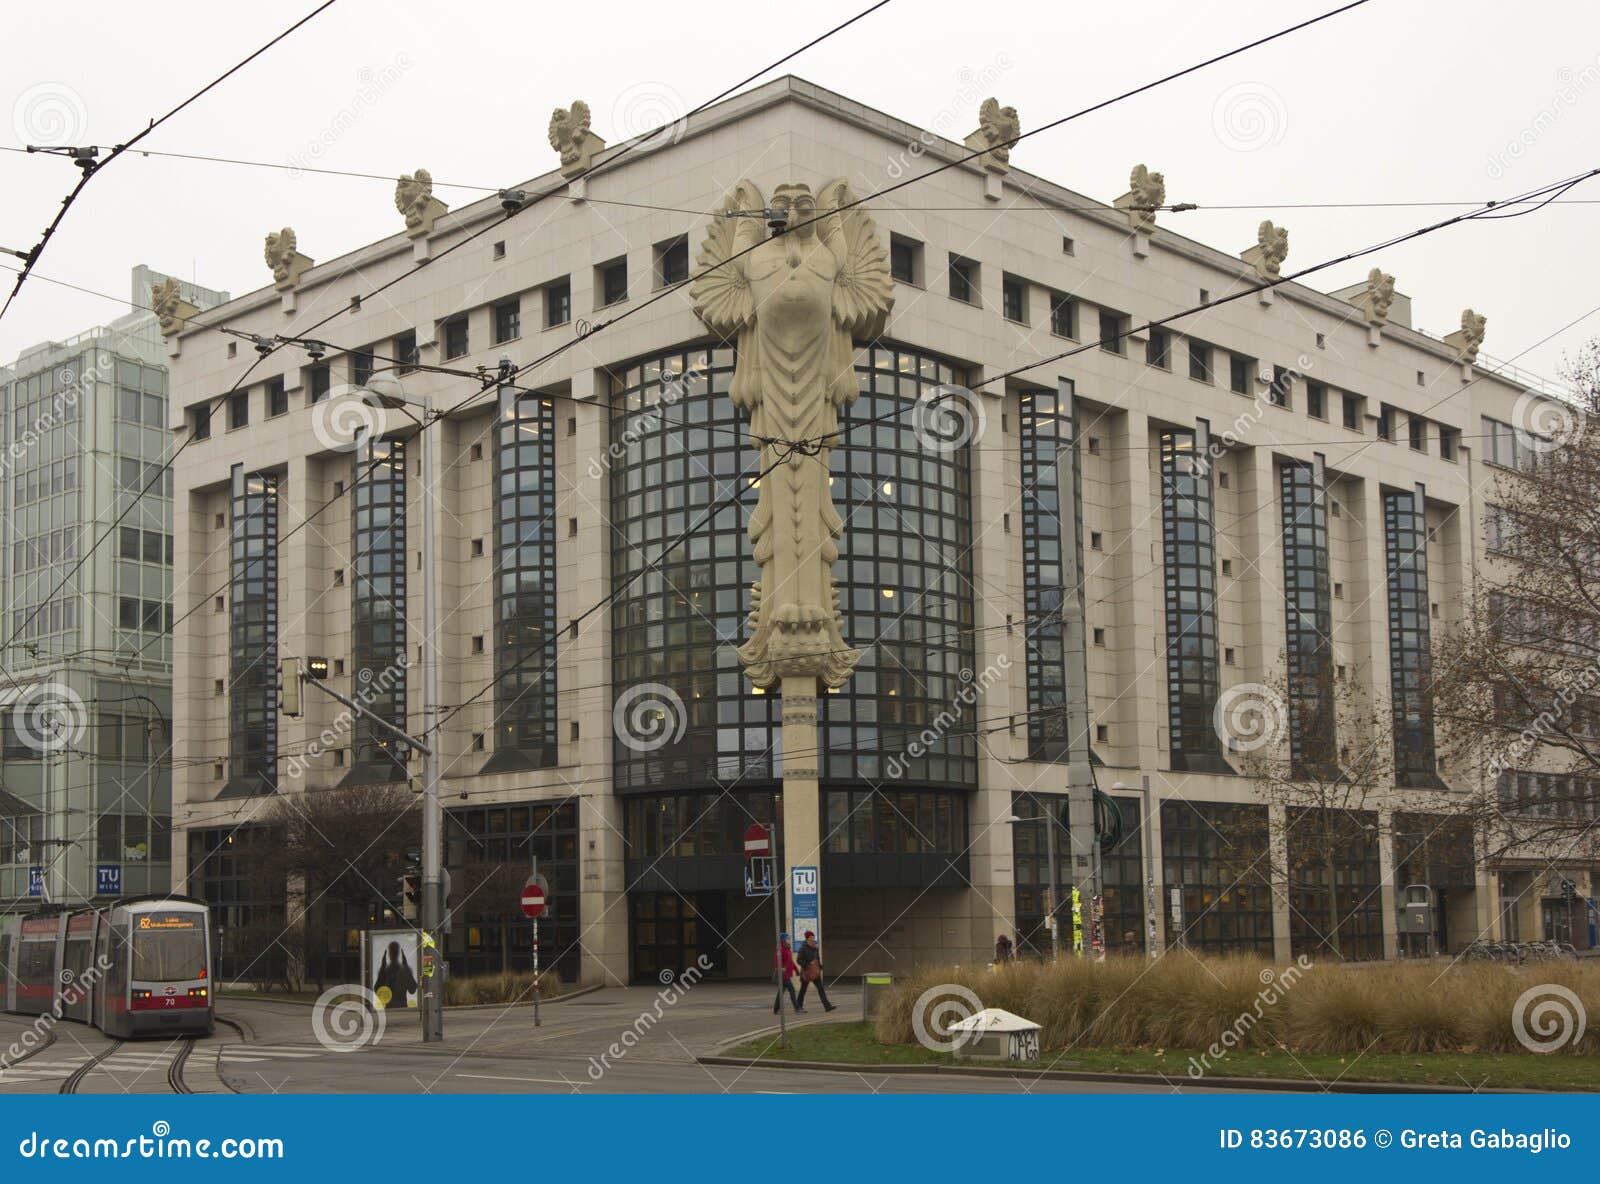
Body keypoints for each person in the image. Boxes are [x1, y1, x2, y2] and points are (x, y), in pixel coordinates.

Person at [794, 931, 836, 1013]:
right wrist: (807, 964)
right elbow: (799, 960)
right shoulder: (803, 948)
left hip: (815, 972)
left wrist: (820, 966)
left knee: (821, 989)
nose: (813, 939)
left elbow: (817, 958)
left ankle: (827, 1006)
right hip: (807, 972)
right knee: (803, 990)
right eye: (811, 937)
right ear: (807, 938)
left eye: (813, 937)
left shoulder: (815, 948)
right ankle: (799, 1006)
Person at [373, 939, 418, 1009]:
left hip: (398, 1009)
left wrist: (406, 969)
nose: (393, 954)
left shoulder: (387, 970)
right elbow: (377, 991)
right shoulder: (385, 970)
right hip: (394, 1008)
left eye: (395, 952)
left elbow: (412, 990)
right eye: (392, 952)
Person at [773, 936, 800, 1015]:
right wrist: (779, 968)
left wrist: (796, 970)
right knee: (792, 990)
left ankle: (776, 1009)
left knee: (780, 992)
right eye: (787, 939)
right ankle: (797, 1008)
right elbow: (776, 960)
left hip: (787, 974)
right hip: (783, 975)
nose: (789, 941)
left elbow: (790, 962)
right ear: (783, 940)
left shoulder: (787, 949)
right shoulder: (780, 950)